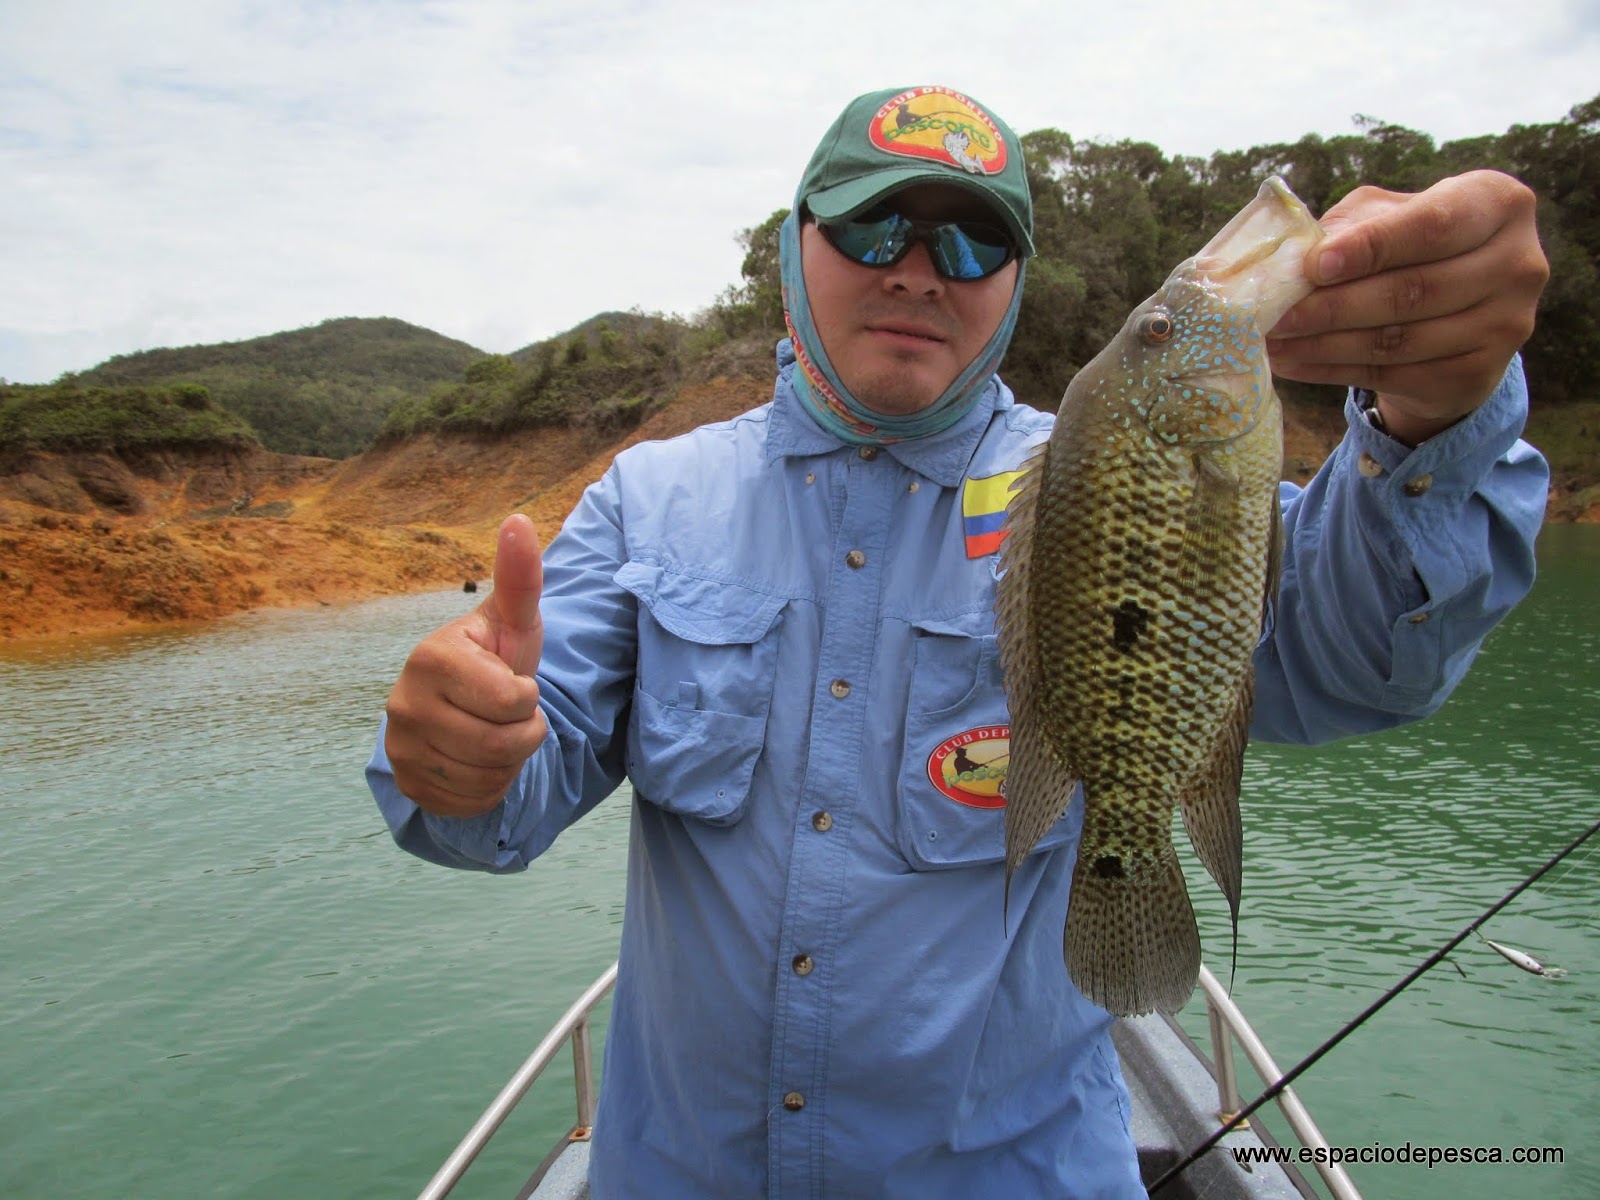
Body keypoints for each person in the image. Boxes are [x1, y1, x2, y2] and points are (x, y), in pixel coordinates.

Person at [368, 84, 1550, 1198]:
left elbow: (1362, 653)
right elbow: (503, 793)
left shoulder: (1104, 466)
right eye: (877, 227)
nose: (924, 273)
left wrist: (1435, 410)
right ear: (795, 249)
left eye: (973, 243)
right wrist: (462, 754)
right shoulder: (647, 501)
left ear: (1016, 284)